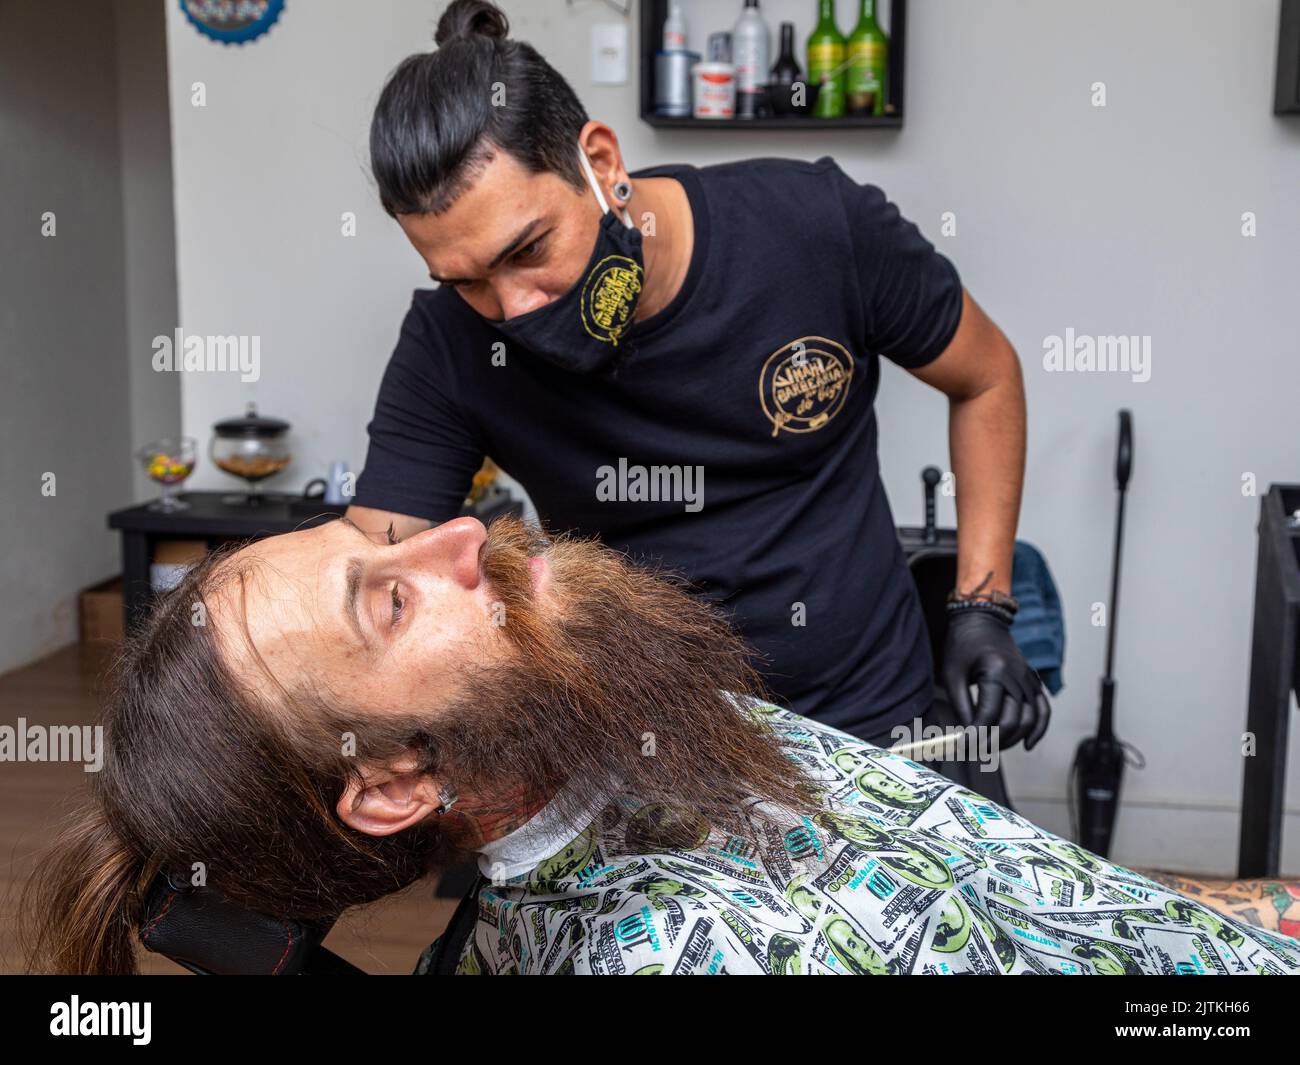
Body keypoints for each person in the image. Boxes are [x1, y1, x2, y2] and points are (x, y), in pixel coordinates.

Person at [19, 514, 1300, 975]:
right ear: (396, 782)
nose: (464, 536)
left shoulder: (635, 720)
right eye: (394, 599)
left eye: (390, 545)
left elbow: (1022, 902)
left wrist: (1255, 916)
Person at [345, 0, 1050, 777]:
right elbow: (371, 557)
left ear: (602, 164)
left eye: (529, 249)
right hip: (657, 748)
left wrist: (981, 608)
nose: (512, 307)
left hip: (875, 721)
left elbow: (985, 376)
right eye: (466, 280)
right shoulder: (451, 342)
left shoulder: (813, 226)